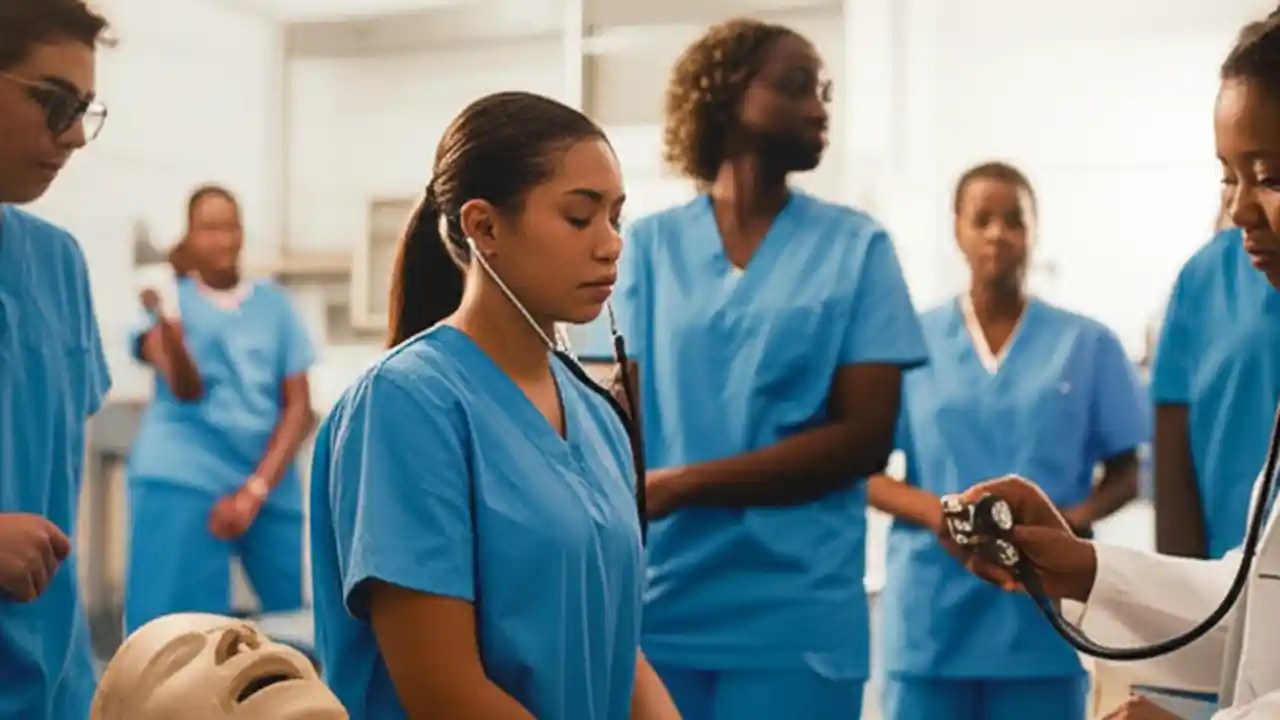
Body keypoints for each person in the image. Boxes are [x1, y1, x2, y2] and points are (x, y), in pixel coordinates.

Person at [947, 11, 1280, 719]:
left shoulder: (1082, 340)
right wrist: (1082, 567)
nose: (1241, 210)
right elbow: (1261, 616)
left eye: (1271, 177)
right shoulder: (1206, 283)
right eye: (1228, 178)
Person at [308, 91, 678, 720]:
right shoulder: (406, 405)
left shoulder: (595, 415)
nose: (611, 244)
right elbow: (443, 692)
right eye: (579, 217)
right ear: (484, 227)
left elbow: (617, 649)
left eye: (616, 217)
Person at [613, 19, 927, 720]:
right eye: (797, 88)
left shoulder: (858, 248)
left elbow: (866, 439)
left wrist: (684, 484)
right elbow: (615, 418)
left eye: (826, 93)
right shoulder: (648, 247)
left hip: (797, 616)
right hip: (663, 607)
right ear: (725, 97)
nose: (820, 108)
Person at [869, 162, 1149, 720]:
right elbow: (863, 470)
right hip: (932, 620)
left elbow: (1127, 473)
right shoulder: (909, 340)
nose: (998, 233)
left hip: (1039, 617)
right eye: (982, 219)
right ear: (957, 230)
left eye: (1014, 220)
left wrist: (1067, 522)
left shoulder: (1085, 343)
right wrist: (939, 514)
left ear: (1034, 231)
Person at [124, 185, 315, 633]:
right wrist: (167, 319)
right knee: (177, 631)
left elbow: (299, 407)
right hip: (184, 472)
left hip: (266, 477)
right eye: (209, 228)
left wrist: (256, 490)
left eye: (230, 226)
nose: (222, 239)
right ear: (189, 236)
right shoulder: (169, 301)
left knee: (296, 622)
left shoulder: (275, 307)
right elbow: (185, 387)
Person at [0, 1, 112, 717]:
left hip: (54, 683)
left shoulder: (56, 264)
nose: (72, 136)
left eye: (84, 109)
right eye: (52, 101)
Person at [1150, 219, 1280, 559]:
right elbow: (1171, 438)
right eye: (1230, 178)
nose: (1239, 208)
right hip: (1234, 566)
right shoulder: (1208, 275)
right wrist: (1181, 593)